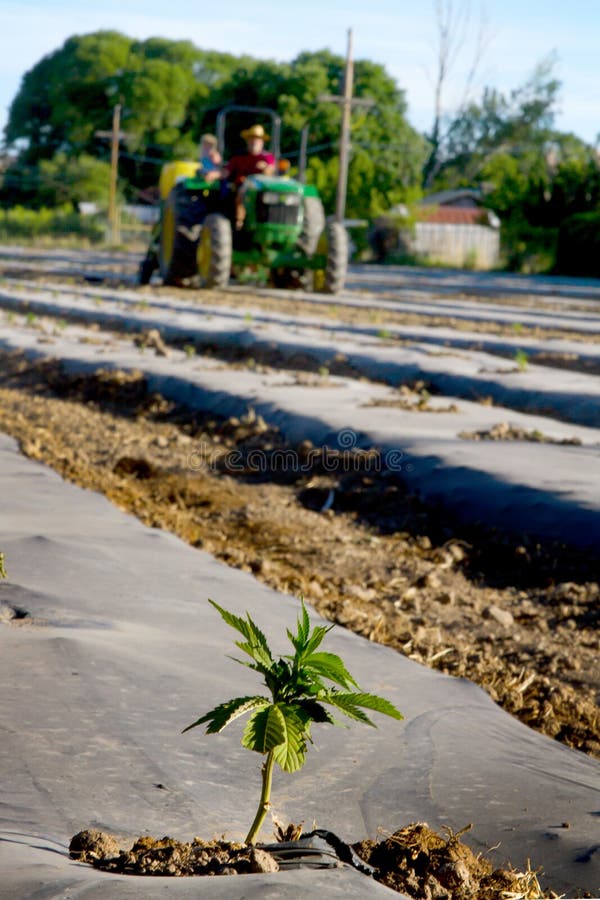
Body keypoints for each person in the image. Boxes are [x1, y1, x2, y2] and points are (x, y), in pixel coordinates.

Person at [222, 124, 276, 228]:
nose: (254, 142)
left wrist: (266, 168)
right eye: (252, 139)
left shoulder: (267, 157)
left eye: (257, 140)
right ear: (247, 141)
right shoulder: (238, 156)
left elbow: (271, 170)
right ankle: (239, 221)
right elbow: (227, 171)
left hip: (261, 190)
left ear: (262, 142)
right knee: (242, 190)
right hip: (241, 187)